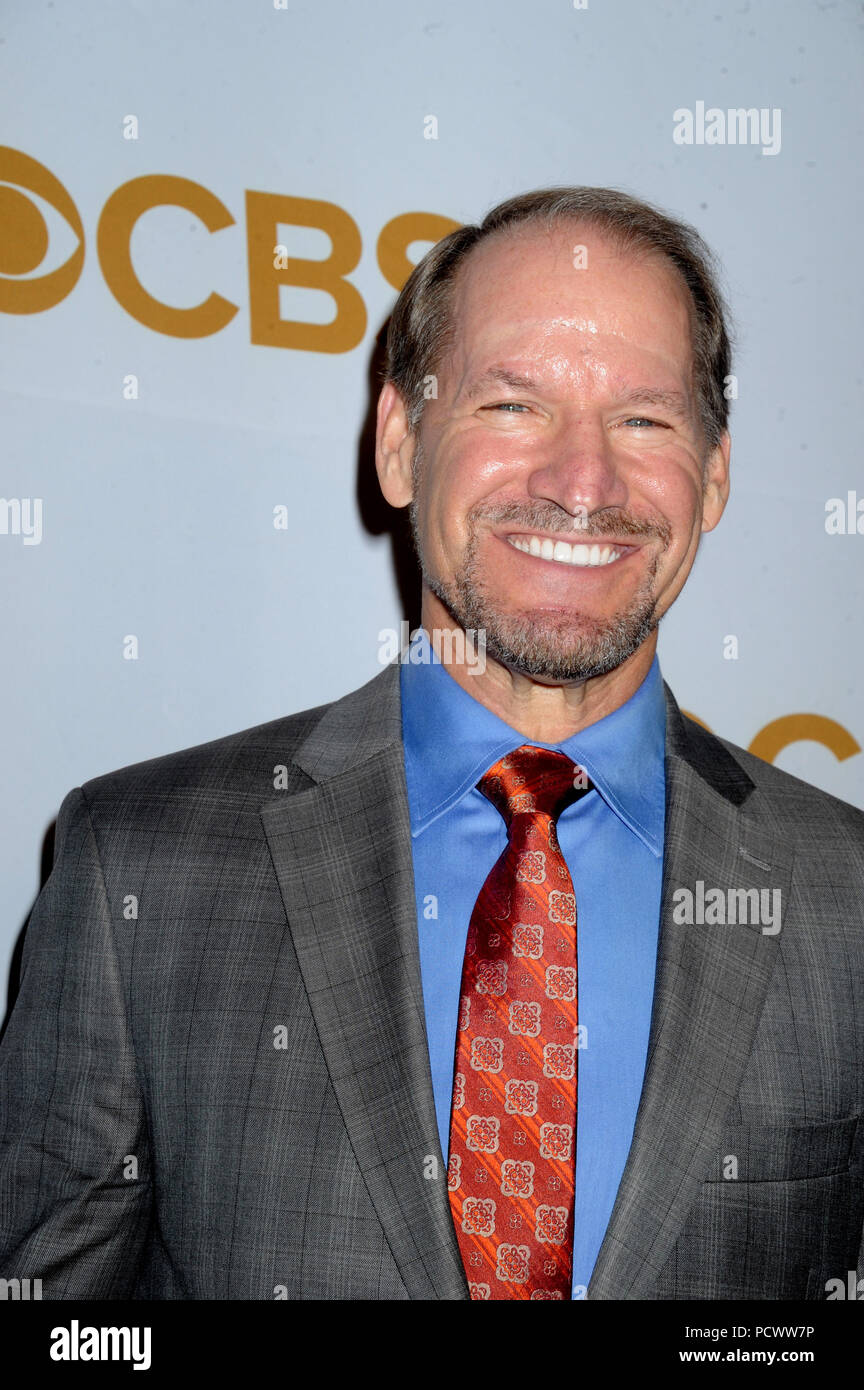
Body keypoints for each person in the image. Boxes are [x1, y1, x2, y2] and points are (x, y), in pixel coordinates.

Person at [1, 187, 862, 1301]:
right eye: (514, 405)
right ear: (402, 443)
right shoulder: (142, 868)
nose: (582, 482)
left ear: (715, 477)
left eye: (644, 420)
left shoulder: (845, 897)